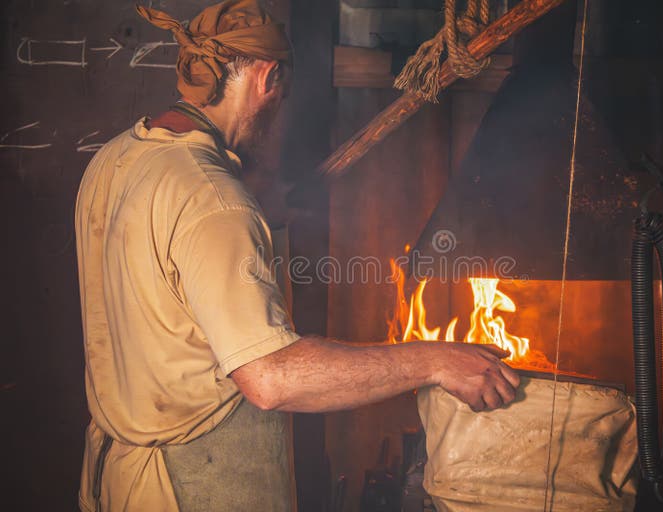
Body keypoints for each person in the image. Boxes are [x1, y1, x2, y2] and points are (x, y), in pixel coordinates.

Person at [75, 1, 520, 510]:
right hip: (192, 486)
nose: (278, 107)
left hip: (117, 474)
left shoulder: (118, 157)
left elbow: (166, 266)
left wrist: (258, 205)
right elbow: (270, 378)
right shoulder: (215, 202)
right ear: (267, 77)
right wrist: (435, 360)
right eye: (282, 93)